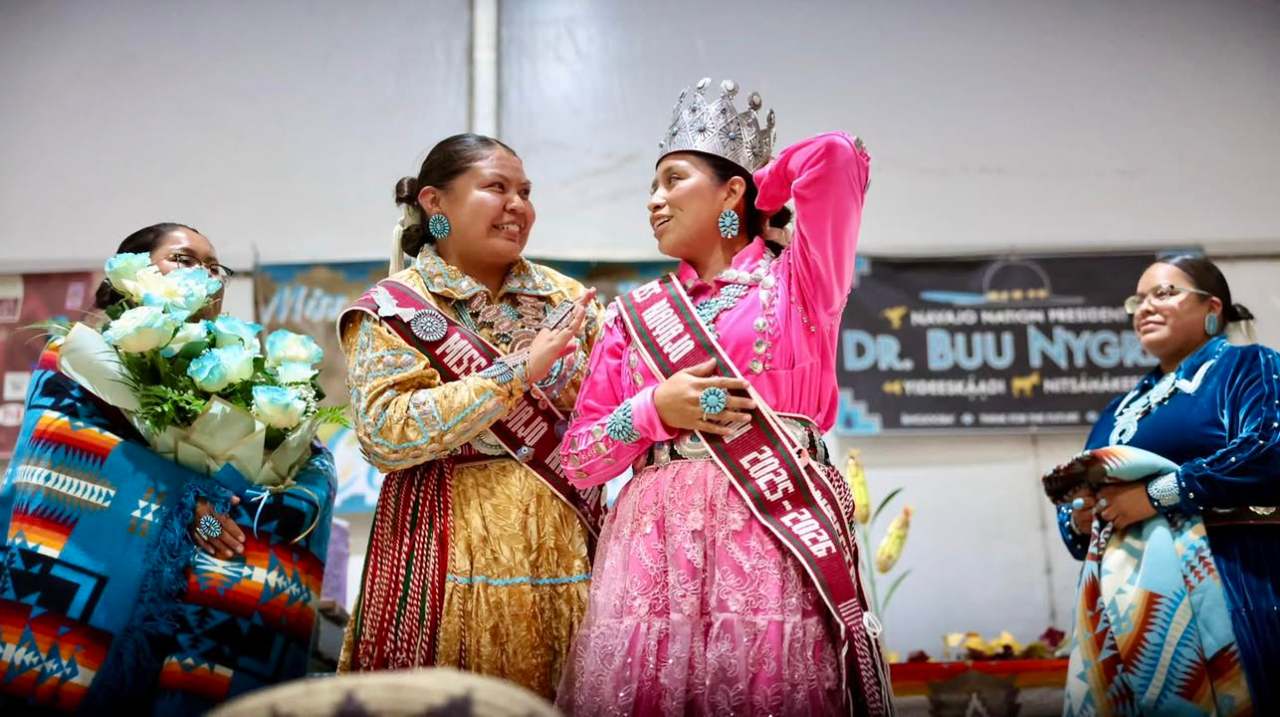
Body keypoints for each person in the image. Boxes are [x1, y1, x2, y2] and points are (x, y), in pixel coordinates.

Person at [556, 79, 893, 716]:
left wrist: (765, 185)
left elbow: (838, 154)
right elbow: (580, 460)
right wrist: (655, 410)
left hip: (771, 528)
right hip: (654, 546)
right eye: (651, 188)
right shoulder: (635, 314)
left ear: (732, 190)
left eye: (673, 179)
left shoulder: (801, 280)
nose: (654, 201)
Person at [0, 223, 337, 713]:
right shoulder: (76, 362)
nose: (206, 275)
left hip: (207, 609)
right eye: (184, 259)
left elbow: (310, 460)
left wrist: (265, 506)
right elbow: (56, 459)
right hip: (88, 614)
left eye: (215, 267)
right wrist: (189, 509)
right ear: (130, 276)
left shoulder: (250, 378)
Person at [338, 133, 603, 700]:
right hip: (443, 541)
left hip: (564, 538)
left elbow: (610, 409)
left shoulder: (568, 298)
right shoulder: (395, 307)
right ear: (436, 203)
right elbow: (386, 433)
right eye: (496, 188)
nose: (518, 206)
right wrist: (515, 374)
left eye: (525, 191)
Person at [1056, 254, 1276, 715]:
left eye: (1165, 293)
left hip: (1234, 578)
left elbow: (1266, 449)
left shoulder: (1245, 367)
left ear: (1212, 308)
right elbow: (1079, 503)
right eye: (1138, 299)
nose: (1144, 308)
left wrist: (1157, 495)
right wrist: (1078, 516)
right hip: (1122, 606)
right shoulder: (1120, 407)